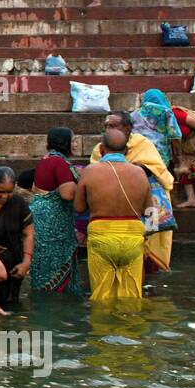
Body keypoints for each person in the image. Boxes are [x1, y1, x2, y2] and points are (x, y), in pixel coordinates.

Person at [88, 109, 175, 273]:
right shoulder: (99, 149)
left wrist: (135, 169)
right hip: (113, 211)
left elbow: (159, 171)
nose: (108, 130)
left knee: (147, 251)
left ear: (127, 128)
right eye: (106, 126)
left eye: (113, 126)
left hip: (142, 206)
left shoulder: (142, 144)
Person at [76, 128, 154, 304]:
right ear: (126, 151)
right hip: (133, 239)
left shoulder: (90, 171)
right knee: (132, 297)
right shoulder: (140, 173)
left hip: (101, 238)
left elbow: (79, 207)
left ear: (102, 150)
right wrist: (146, 238)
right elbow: (151, 212)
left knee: (101, 297)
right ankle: (131, 329)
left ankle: (103, 329)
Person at [27, 127, 83, 295]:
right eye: (73, 140)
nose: (75, 144)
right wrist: (84, 183)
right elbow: (67, 194)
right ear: (64, 143)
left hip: (41, 216)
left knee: (44, 262)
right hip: (53, 221)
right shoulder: (59, 162)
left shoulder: (46, 159)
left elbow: (33, 187)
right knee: (54, 262)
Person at [0, 166, 34, 308]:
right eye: (0, 191)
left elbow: (28, 233)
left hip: (13, 266)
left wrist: (26, 262)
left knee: (11, 304)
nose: (5, 197)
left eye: (9, 192)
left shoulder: (18, 204)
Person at [131, 88, 181, 169]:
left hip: (138, 155)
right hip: (160, 157)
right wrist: (179, 157)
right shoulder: (167, 112)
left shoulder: (134, 114)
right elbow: (175, 137)